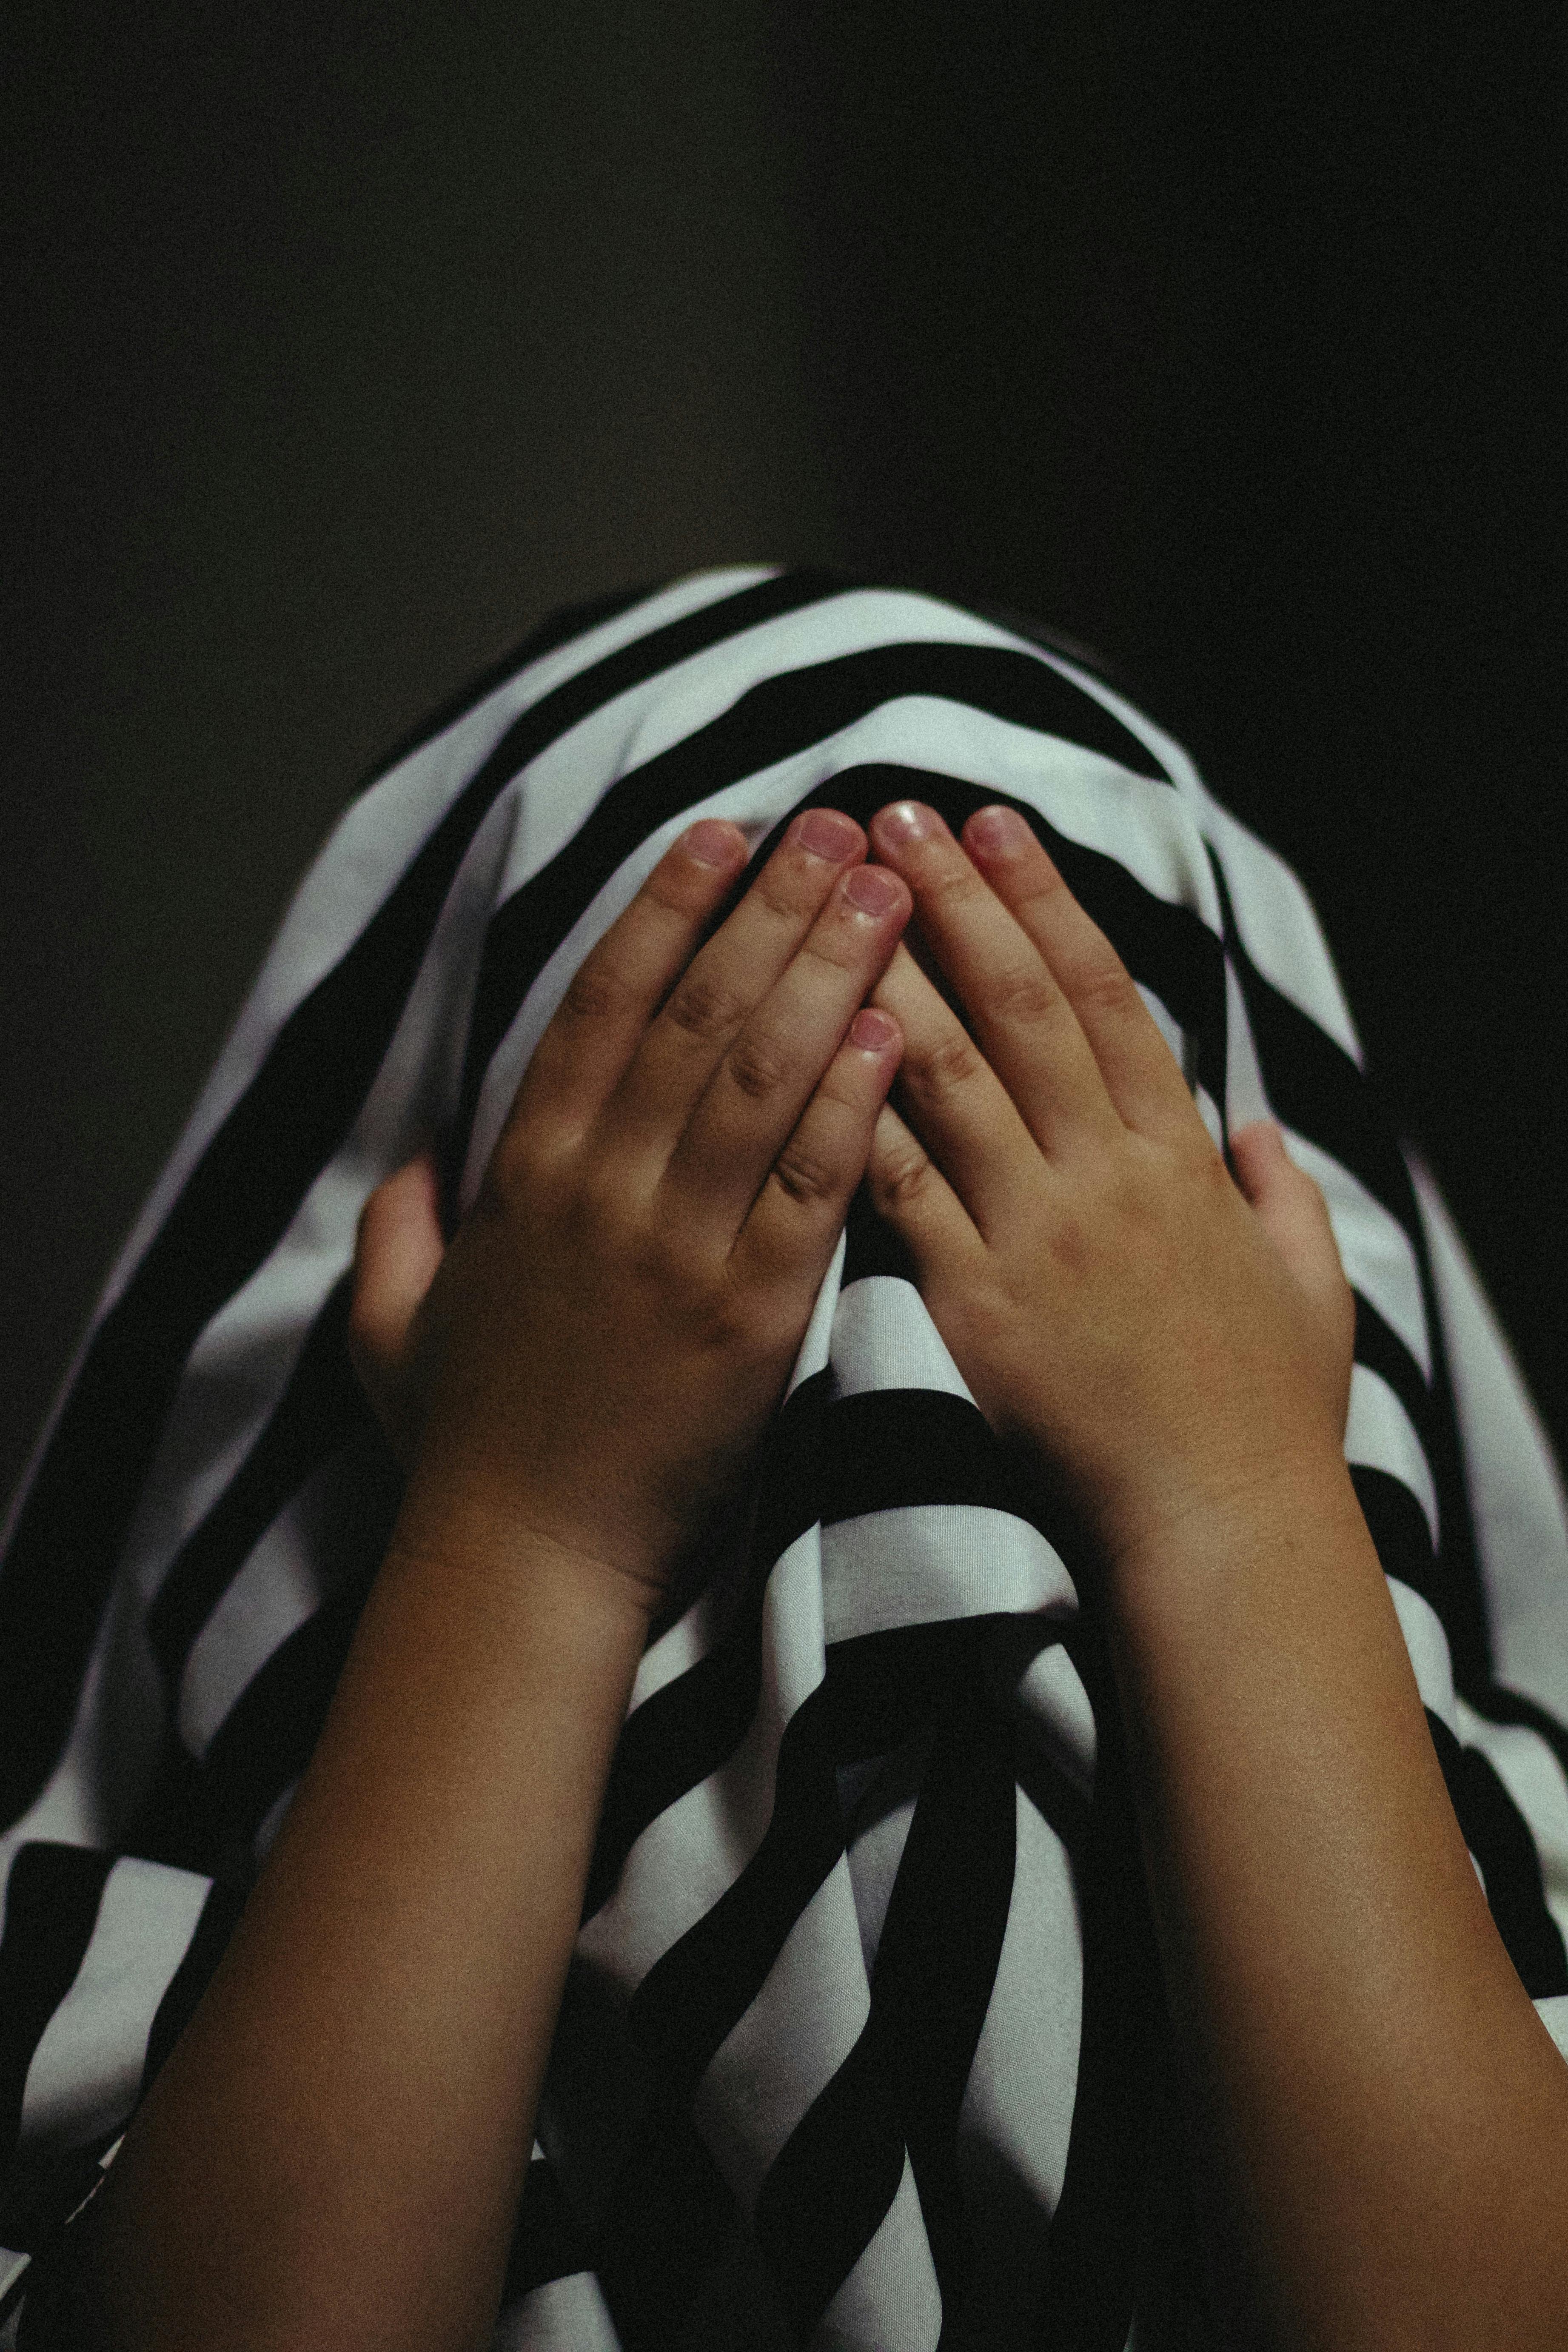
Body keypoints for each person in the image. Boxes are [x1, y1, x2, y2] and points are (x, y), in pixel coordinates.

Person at [1, 567, 1566, 2350]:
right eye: (674, 1209)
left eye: (1096, 1180)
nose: (883, 1386)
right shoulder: (129, 2019)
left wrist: (1228, 1499)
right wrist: (528, 1526)